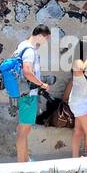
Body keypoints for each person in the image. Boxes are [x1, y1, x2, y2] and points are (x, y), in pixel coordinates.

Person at [13, 25, 52, 163]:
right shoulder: (30, 50)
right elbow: (27, 72)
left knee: (23, 128)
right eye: (46, 39)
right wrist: (42, 84)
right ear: (40, 35)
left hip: (23, 93)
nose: (45, 42)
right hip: (29, 95)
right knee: (24, 130)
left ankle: (25, 159)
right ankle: (21, 163)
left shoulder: (22, 45)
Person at [64, 52, 87, 158]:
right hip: (81, 104)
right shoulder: (77, 64)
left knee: (78, 131)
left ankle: (74, 158)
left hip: (82, 103)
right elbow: (83, 68)